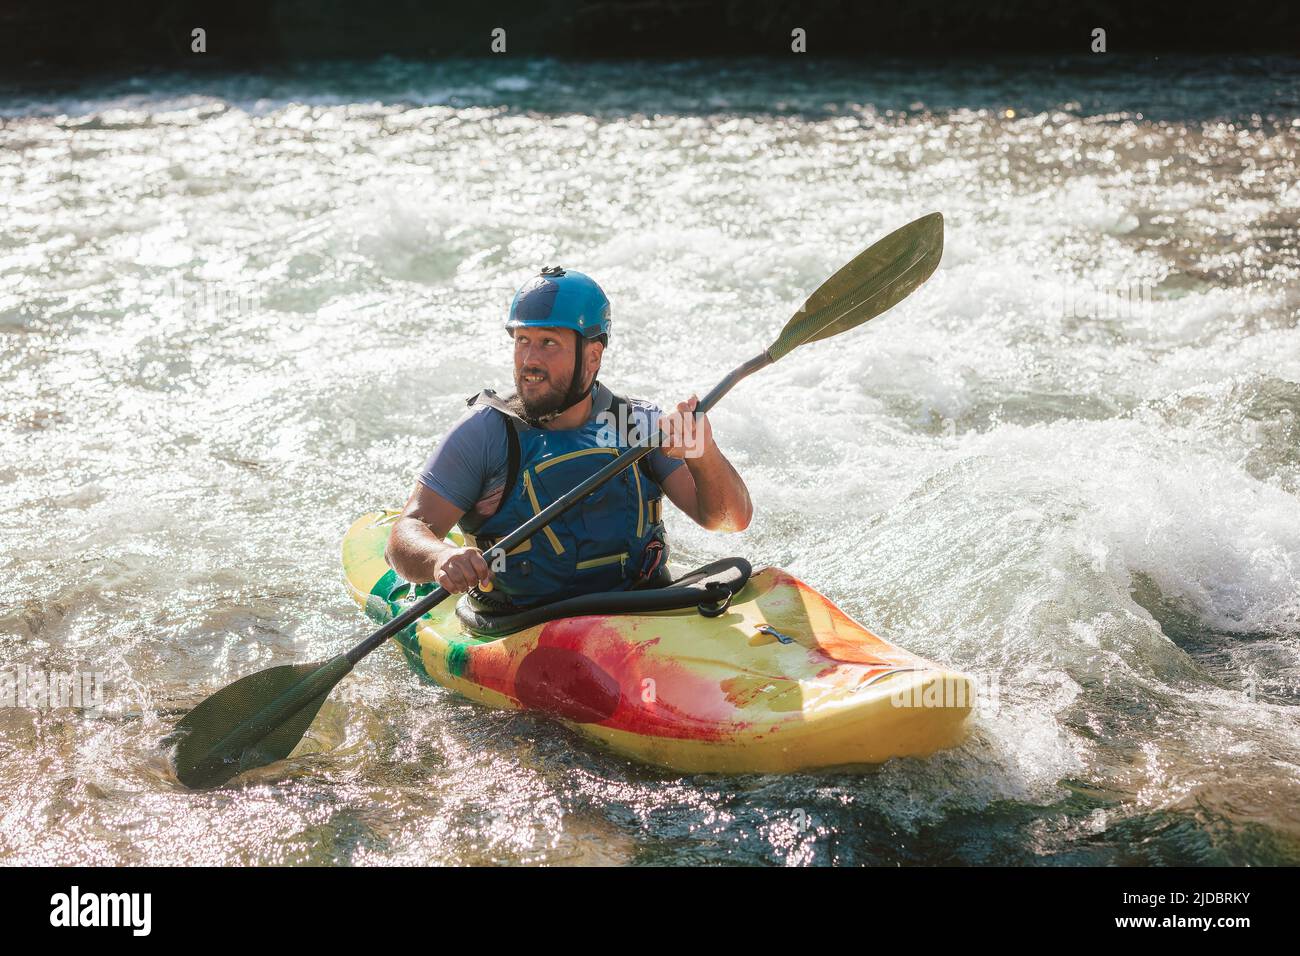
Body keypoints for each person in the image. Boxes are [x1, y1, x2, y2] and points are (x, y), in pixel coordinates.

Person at [386, 266, 752, 609]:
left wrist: (702, 453)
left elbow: (729, 520)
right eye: (522, 340)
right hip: (525, 624)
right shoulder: (484, 434)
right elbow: (404, 536)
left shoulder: (636, 423)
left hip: (646, 609)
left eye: (548, 343)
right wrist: (440, 557)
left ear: (592, 357)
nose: (529, 359)